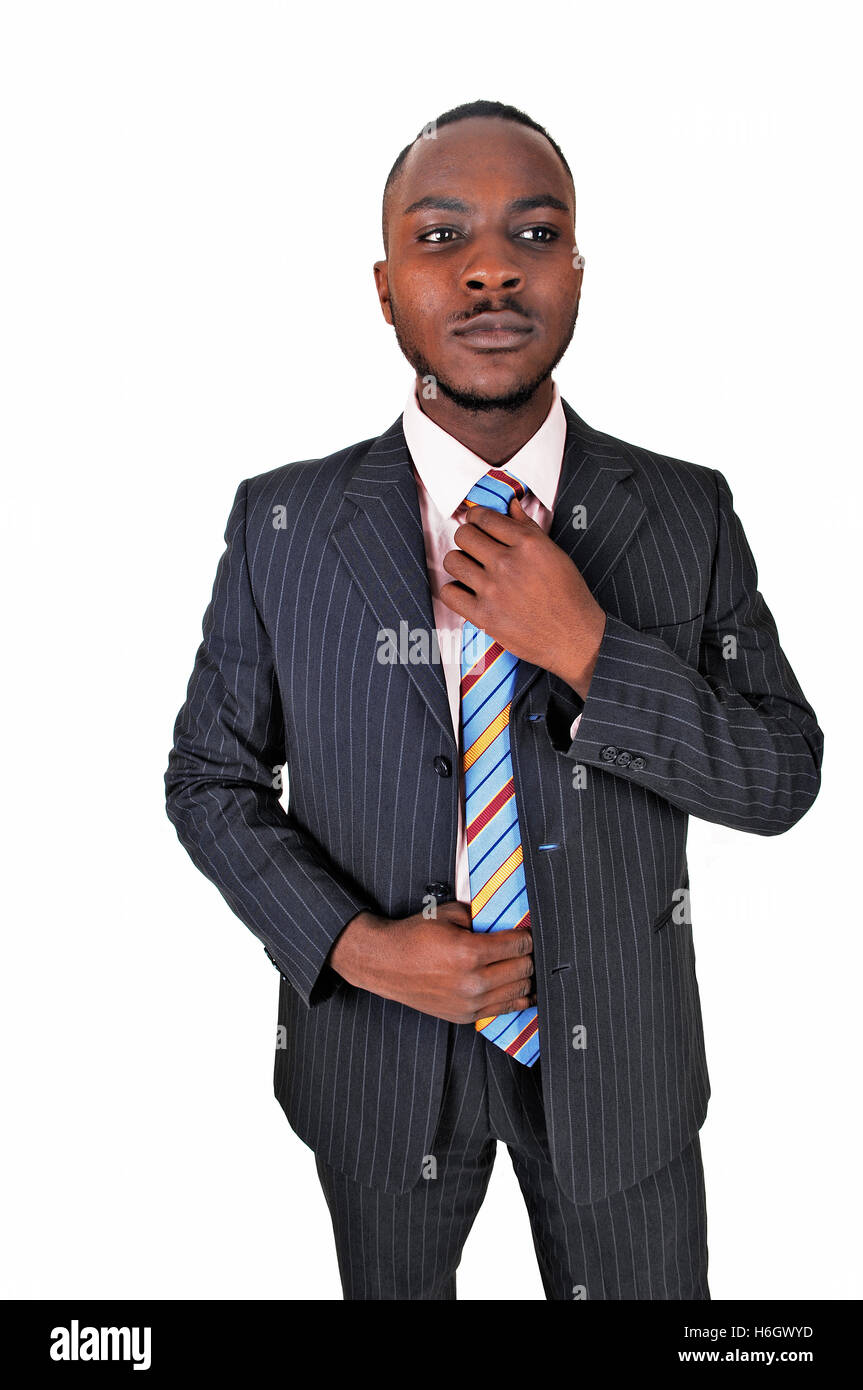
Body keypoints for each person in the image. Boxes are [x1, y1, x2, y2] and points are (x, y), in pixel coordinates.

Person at [164, 99, 823, 1300]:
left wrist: (588, 648)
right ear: (382, 285)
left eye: (531, 234)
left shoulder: (683, 512)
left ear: (576, 271)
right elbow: (209, 780)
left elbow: (780, 776)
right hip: (374, 1065)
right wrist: (357, 948)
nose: (486, 270)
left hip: (622, 1075)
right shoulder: (284, 521)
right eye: (439, 238)